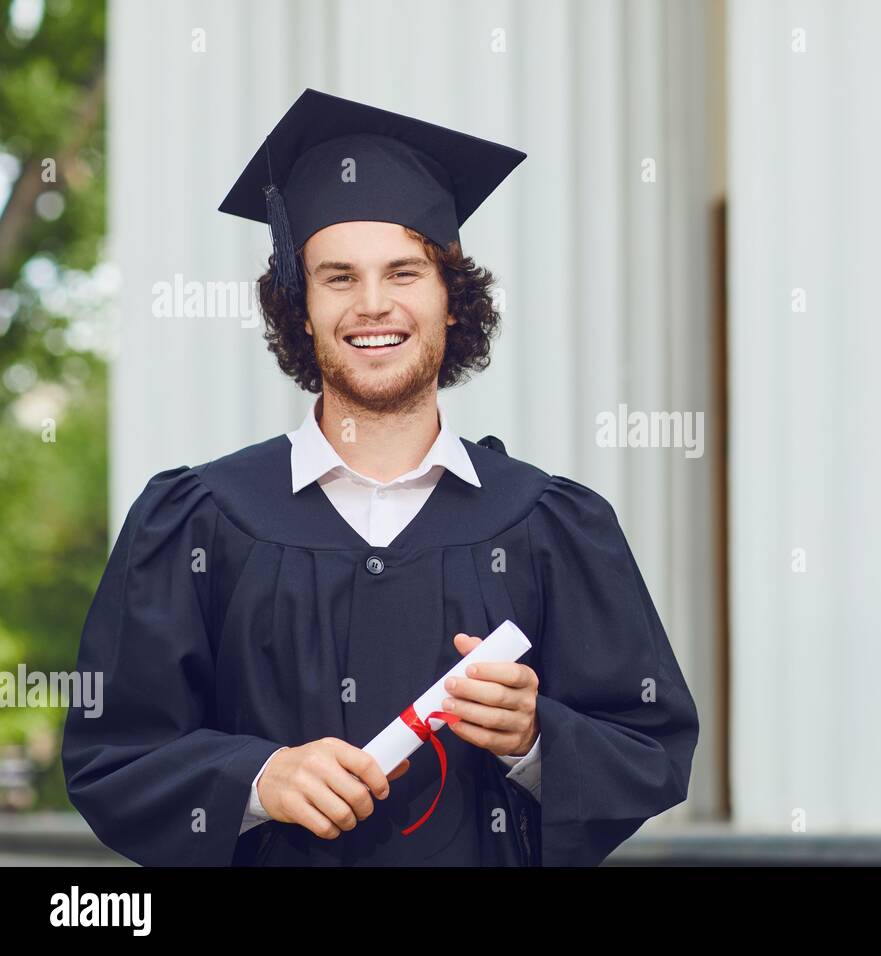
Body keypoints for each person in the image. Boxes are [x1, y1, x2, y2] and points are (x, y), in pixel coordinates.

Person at [60, 88, 700, 866]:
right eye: (338, 277)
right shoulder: (197, 520)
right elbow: (112, 758)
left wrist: (535, 739)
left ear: (451, 301)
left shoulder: (550, 524)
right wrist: (259, 778)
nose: (373, 305)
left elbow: (652, 750)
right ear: (299, 307)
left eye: (404, 272)